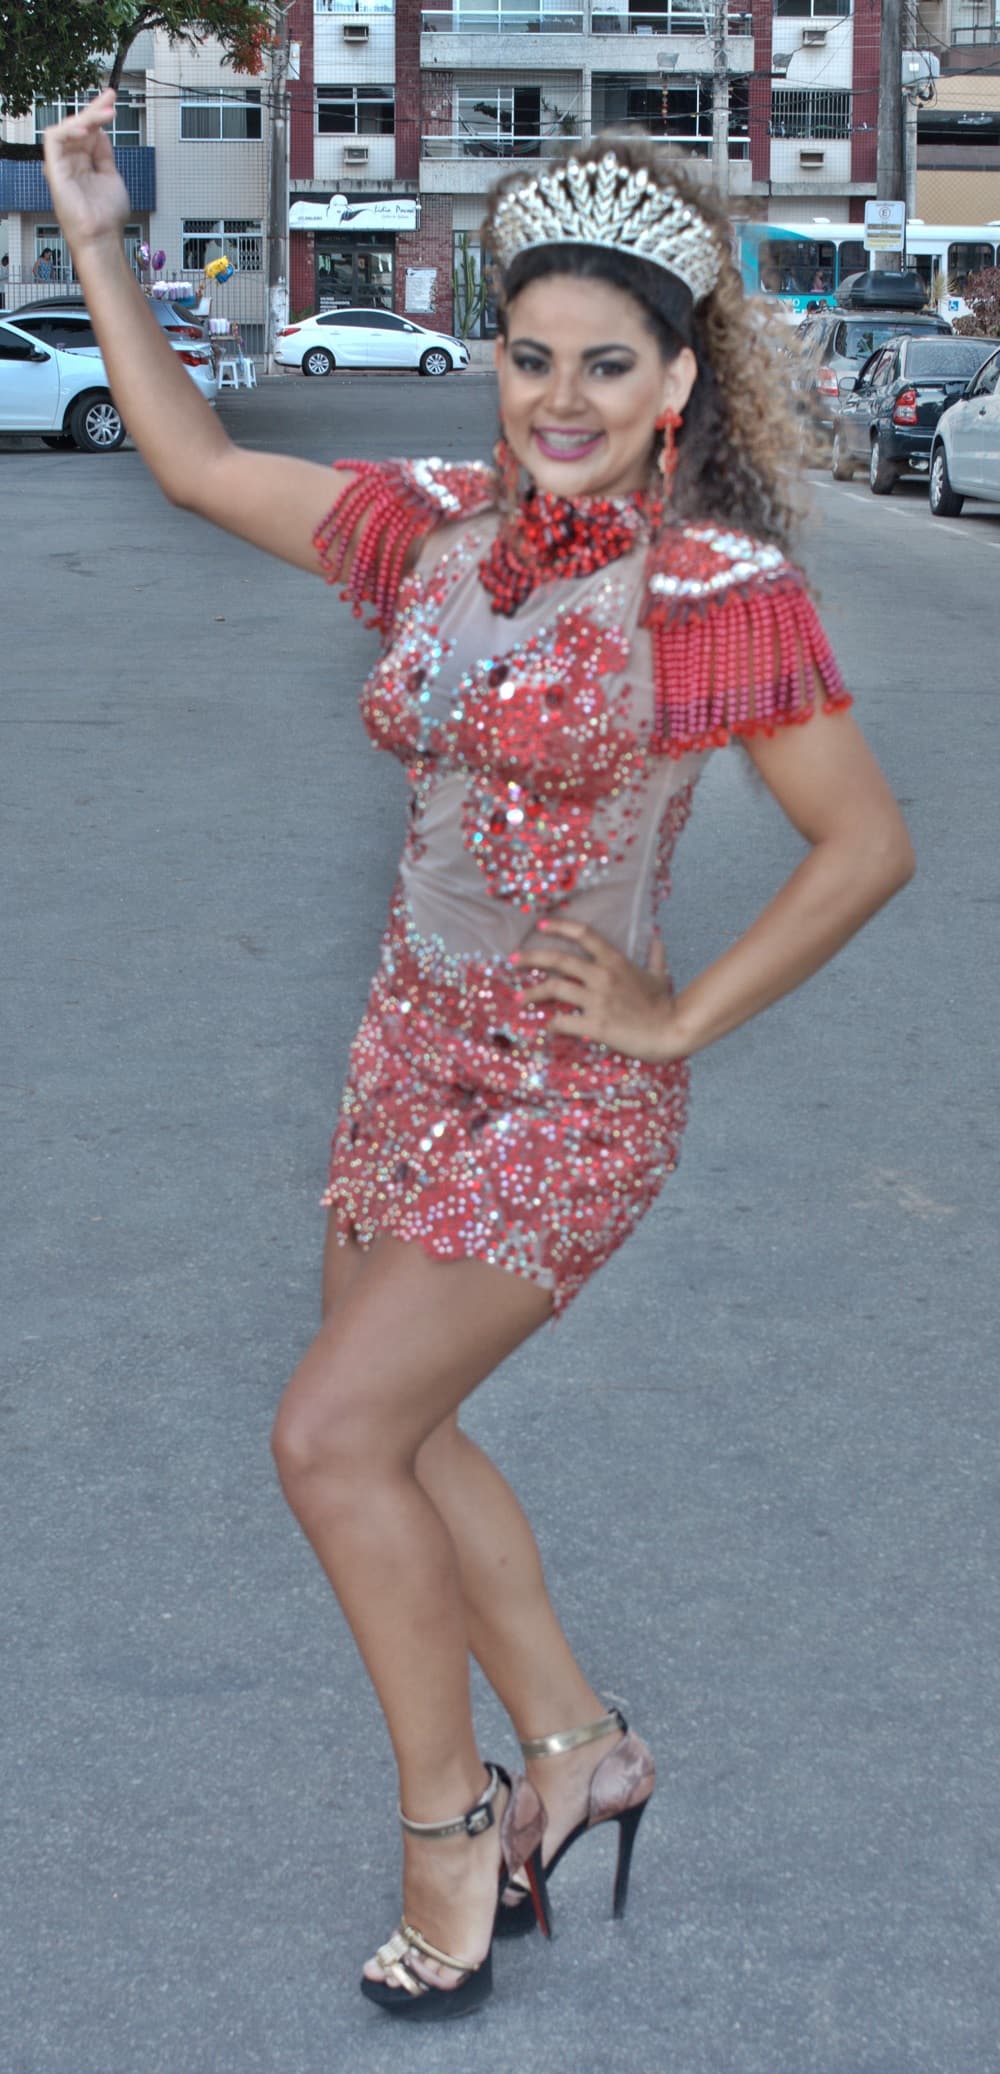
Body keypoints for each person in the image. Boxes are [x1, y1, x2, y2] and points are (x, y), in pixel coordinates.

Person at [43, 94, 915, 2024]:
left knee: (330, 1434)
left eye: (609, 364)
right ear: (495, 363)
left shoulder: (713, 595)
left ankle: (456, 1825)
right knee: (410, 1434)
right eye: (534, 357)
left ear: (679, 377)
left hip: (564, 1090)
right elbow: (188, 465)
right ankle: (586, 1740)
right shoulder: (429, 536)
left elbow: (868, 845)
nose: (563, 397)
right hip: (399, 1058)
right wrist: (95, 227)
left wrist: (677, 1014)